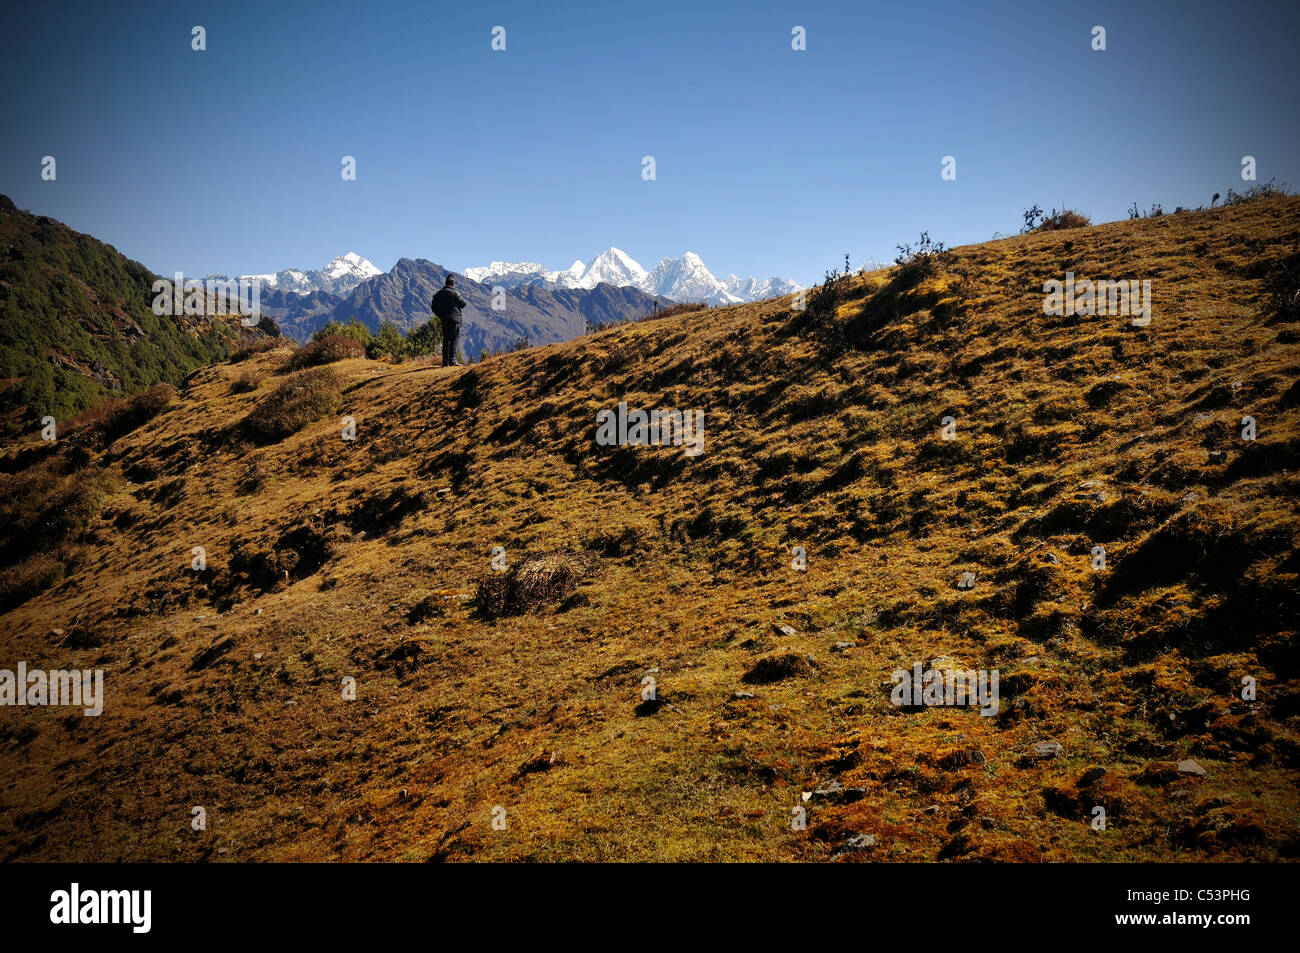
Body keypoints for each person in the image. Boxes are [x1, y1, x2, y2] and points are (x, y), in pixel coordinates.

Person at [431, 274, 469, 367]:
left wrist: (440, 315)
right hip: (455, 319)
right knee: (454, 339)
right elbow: (463, 304)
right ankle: (453, 361)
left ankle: (444, 362)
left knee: (446, 340)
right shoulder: (455, 292)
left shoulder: (439, 293)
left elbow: (433, 307)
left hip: (445, 319)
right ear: (453, 283)